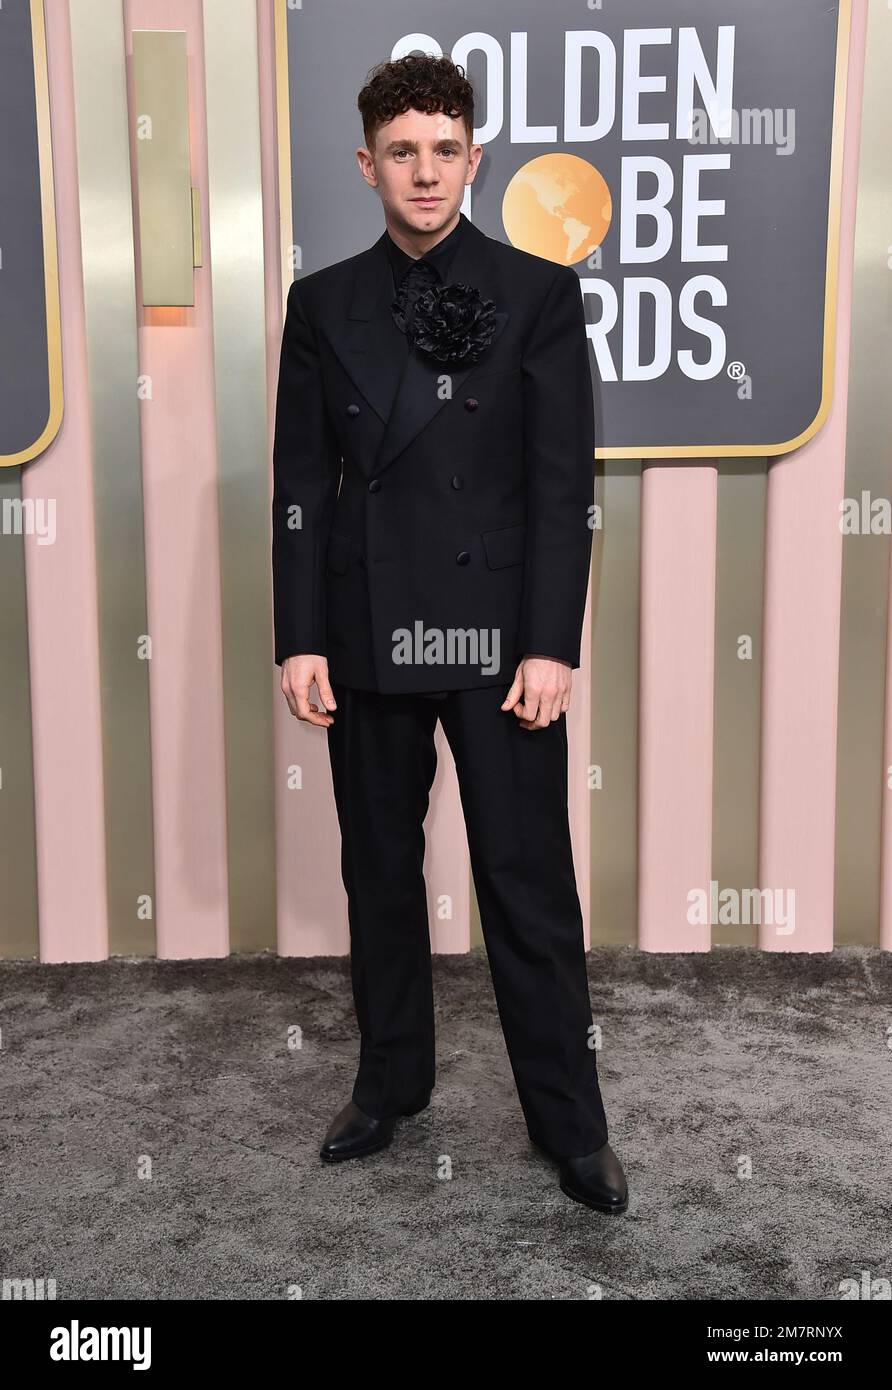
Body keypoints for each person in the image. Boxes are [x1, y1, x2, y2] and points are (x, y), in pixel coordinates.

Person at [271, 53, 627, 1214]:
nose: (424, 171)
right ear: (366, 163)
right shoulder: (321, 303)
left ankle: (570, 1125)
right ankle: (389, 1087)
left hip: (496, 640)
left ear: (475, 160)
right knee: (377, 869)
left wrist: (550, 644)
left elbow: (558, 480)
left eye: (445, 149)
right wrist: (299, 635)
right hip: (367, 626)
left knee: (524, 878)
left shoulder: (535, 289)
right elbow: (302, 482)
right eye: (401, 150)